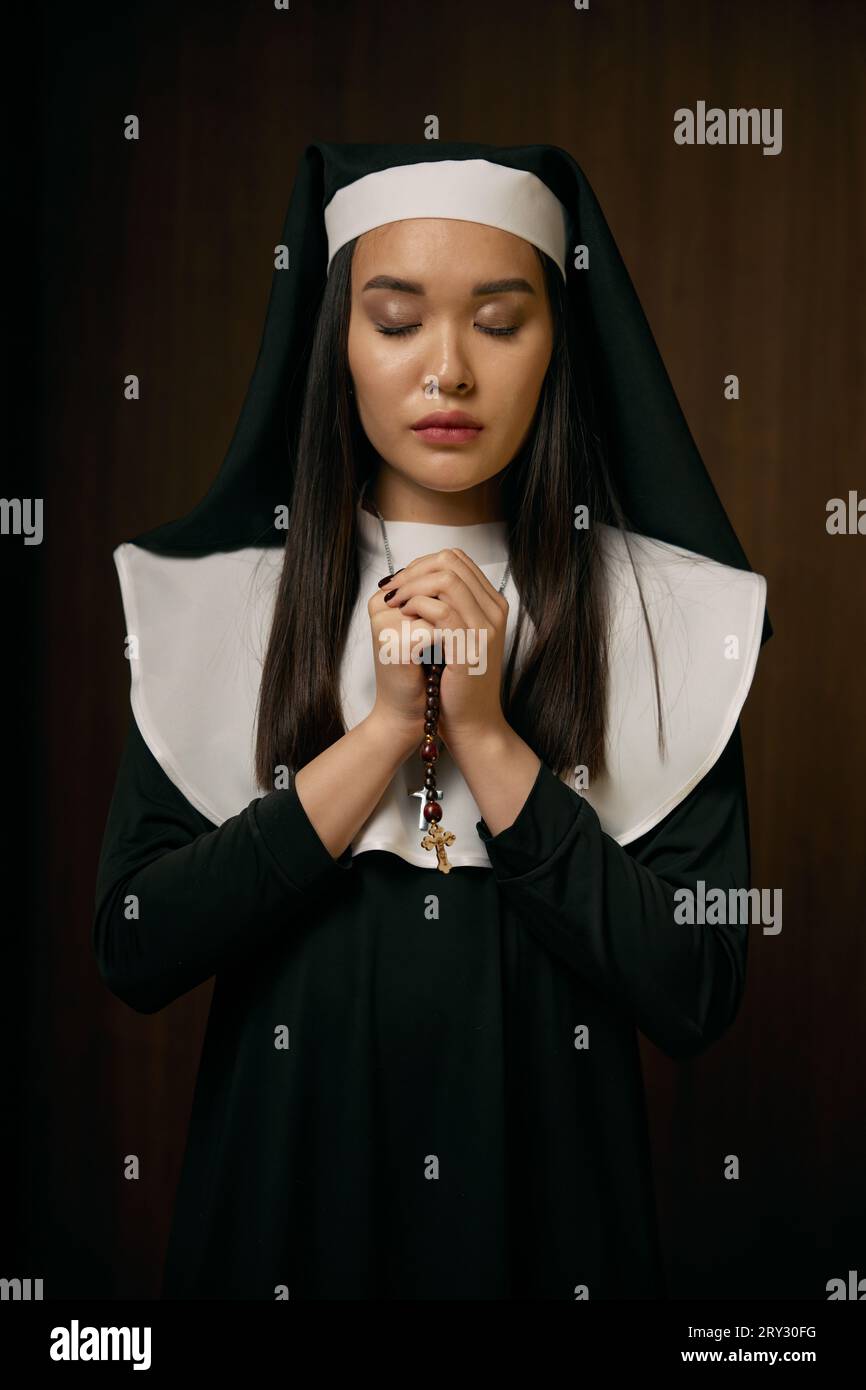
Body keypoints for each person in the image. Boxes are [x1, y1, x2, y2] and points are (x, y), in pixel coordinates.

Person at [93, 140, 770, 1300]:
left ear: (558, 343)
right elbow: (137, 944)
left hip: (549, 1229)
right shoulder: (228, 600)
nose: (445, 371)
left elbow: (696, 988)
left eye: (499, 324)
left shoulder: (664, 614)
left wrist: (493, 742)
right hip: (278, 1220)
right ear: (336, 343)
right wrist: (374, 739)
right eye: (395, 321)